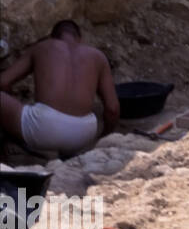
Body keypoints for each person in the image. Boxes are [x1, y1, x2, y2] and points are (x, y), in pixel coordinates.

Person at [0, 21, 117, 157]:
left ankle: (9, 146)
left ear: (53, 37)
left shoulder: (42, 47)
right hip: (84, 134)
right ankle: (68, 153)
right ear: (79, 38)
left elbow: (3, 82)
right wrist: (103, 139)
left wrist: (10, 105)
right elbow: (112, 108)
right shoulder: (98, 56)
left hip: (43, 129)